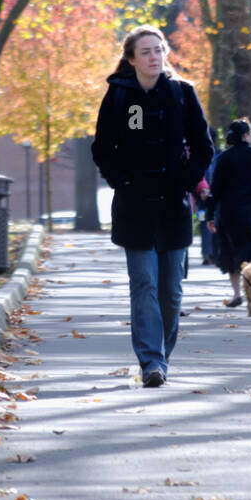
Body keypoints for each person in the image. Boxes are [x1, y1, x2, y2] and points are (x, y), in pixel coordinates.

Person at [92, 25, 214, 386]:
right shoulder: (118, 96)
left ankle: (163, 355)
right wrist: (123, 181)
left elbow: (204, 147)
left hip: (173, 206)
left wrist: (184, 182)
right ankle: (151, 363)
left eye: (159, 50)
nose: (154, 57)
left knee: (171, 293)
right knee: (143, 284)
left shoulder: (182, 93)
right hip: (134, 207)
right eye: (145, 51)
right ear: (132, 59)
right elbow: (102, 149)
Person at [207, 117, 251, 307]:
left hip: (232, 214)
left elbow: (215, 189)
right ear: (246, 135)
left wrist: (209, 215)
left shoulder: (224, 158)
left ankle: (237, 293)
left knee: (233, 254)